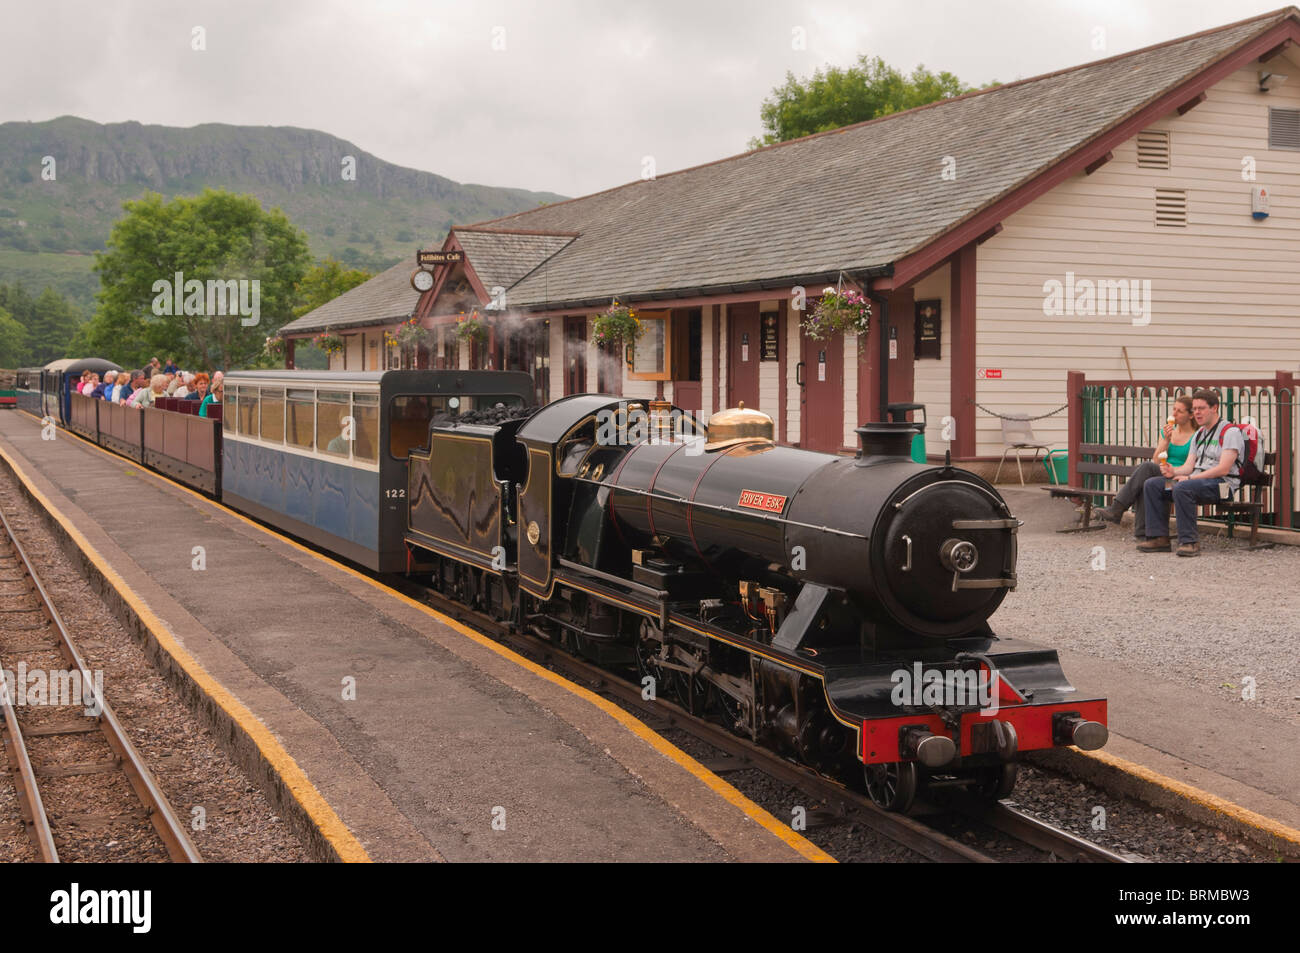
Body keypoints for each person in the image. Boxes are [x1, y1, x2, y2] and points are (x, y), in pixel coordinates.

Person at [1137, 389, 1243, 557]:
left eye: (1201, 408)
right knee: (1153, 485)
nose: (1197, 413)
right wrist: (1173, 471)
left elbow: (1223, 469)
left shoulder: (1230, 432)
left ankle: (1189, 541)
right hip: (1197, 482)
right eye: (1194, 409)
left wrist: (1189, 478)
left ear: (1214, 408)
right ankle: (1159, 538)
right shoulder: (1199, 434)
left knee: (1182, 487)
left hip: (1223, 485)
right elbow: (1188, 465)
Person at [1096, 395, 1196, 537]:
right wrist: (1166, 441)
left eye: (1179, 411)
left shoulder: (1196, 436)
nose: (1174, 414)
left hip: (1178, 483)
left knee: (1147, 471)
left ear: (1191, 415)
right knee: (1147, 480)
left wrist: (1174, 471)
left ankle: (1116, 510)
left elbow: (1190, 466)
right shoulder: (1167, 432)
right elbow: (1156, 460)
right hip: (1163, 478)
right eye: (1174, 409)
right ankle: (1142, 534)